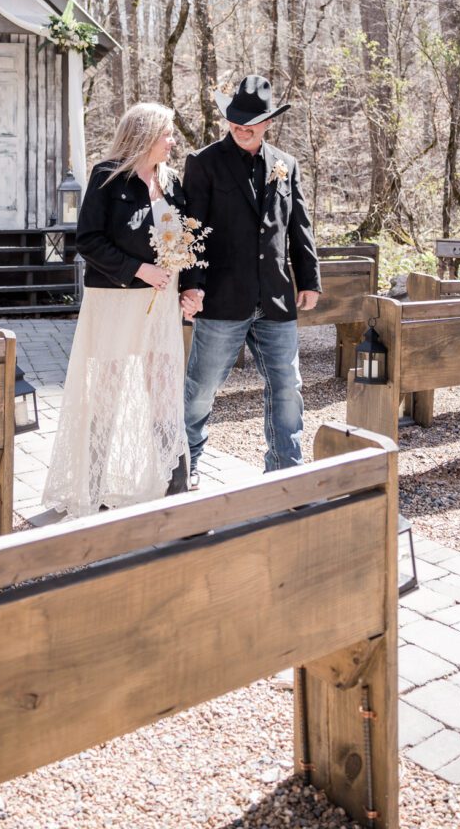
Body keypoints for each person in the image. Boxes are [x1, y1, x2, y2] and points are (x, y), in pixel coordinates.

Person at [42, 102, 202, 518]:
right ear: (145, 135)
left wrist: (191, 288)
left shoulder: (172, 182)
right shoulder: (107, 177)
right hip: (114, 301)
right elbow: (89, 241)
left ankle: (174, 484)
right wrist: (138, 270)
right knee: (107, 393)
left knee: (165, 390)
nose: (172, 141)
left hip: (160, 305)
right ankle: (92, 486)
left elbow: (187, 243)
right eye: (166, 134)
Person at [182, 75, 321, 485]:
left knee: (287, 388)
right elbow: (192, 230)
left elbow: (299, 226)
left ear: (268, 122)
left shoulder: (286, 164)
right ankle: (185, 463)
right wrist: (192, 284)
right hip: (221, 298)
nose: (241, 127)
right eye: (235, 120)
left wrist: (309, 278)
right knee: (201, 389)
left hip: (276, 298)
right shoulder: (203, 162)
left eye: (251, 121)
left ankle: (285, 471)